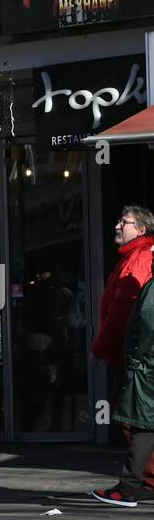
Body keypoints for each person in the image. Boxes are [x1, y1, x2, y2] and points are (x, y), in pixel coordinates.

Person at [94, 206, 154, 495]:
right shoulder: (133, 258)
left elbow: (125, 312)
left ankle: (138, 483)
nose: (117, 225)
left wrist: (102, 346)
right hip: (134, 355)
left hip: (136, 358)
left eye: (124, 222)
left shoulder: (139, 259)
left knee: (137, 420)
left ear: (141, 229)